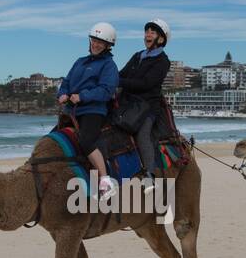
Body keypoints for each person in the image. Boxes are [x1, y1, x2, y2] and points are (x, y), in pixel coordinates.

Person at [57, 22, 120, 195]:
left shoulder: (109, 65)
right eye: (94, 39)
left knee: (86, 141)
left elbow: (106, 90)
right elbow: (66, 83)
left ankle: (106, 181)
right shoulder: (80, 62)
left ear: (108, 45)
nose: (95, 44)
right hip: (72, 111)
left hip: (93, 111)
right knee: (54, 139)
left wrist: (82, 96)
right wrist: (62, 94)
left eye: (100, 42)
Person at [116, 18, 172, 191]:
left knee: (143, 134)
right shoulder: (138, 55)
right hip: (128, 102)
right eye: (147, 31)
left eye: (152, 32)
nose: (148, 34)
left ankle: (149, 174)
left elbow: (146, 84)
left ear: (161, 39)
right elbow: (122, 73)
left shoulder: (163, 61)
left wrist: (119, 81)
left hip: (147, 106)